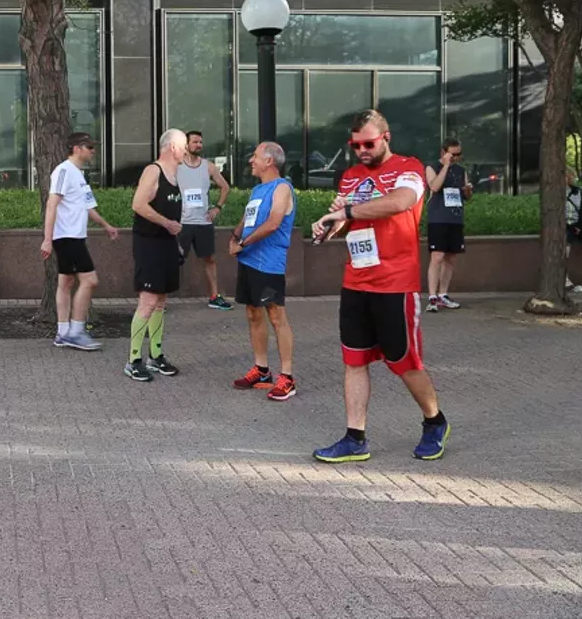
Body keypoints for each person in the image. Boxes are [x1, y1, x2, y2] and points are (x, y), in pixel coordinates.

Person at [310, 109, 449, 464]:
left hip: (394, 284)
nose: (361, 151)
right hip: (356, 281)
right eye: (355, 145)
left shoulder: (409, 168)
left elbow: (401, 202)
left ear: (385, 137)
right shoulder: (351, 177)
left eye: (368, 143)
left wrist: (348, 212)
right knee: (354, 360)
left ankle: (435, 421)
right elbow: (348, 221)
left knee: (404, 362)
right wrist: (329, 226)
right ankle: (355, 437)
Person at [230, 142, 298, 401]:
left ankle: (287, 377)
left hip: (269, 264)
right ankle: (261, 370)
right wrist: (236, 235)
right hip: (248, 261)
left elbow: (273, 223)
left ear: (269, 161)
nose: (251, 161)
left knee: (276, 315)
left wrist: (243, 243)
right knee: (252, 313)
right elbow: (250, 218)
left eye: (256, 156)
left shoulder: (282, 188)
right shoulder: (258, 189)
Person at [40, 132, 119, 350]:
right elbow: (51, 204)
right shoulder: (64, 170)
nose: (93, 151)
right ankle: (76, 331)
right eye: (89, 147)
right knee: (90, 280)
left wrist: (106, 226)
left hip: (74, 236)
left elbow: (87, 207)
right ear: (77, 148)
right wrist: (47, 239)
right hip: (67, 237)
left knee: (66, 282)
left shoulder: (79, 175)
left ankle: (63, 333)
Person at [124, 130, 187, 382]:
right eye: (183, 146)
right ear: (172, 147)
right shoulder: (154, 171)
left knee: (161, 302)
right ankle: (133, 360)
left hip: (166, 245)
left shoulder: (175, 174)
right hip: (148, 244)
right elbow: (138, 204)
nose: (186, 151)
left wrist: (175, 241)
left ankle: (156, 355)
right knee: (148, 302)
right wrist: (167, 224)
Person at [177, 131, 233, 310]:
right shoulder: (176, 166)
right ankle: (158, 298)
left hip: (203, 223)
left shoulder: (208, 166)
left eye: (201, 142)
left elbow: (225, 187)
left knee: (210, 259)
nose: (199, 145)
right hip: (182, 223)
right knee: (173, 259)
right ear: (186, 145)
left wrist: (217, 207)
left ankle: (214, 296)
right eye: (195, 142)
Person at [425, 138, 472, 311]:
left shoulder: (461, 170)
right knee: (437, 256)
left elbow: (467, 196)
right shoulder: (432, 167)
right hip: (438, 217)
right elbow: (435, 187)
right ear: (443, 152)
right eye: (453, 155)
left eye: (459, 154)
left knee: (451, 257)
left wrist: (467, 190)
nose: (456, 158)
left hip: (455, 217)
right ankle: (432, 296)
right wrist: (445, 166)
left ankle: (443, 293)